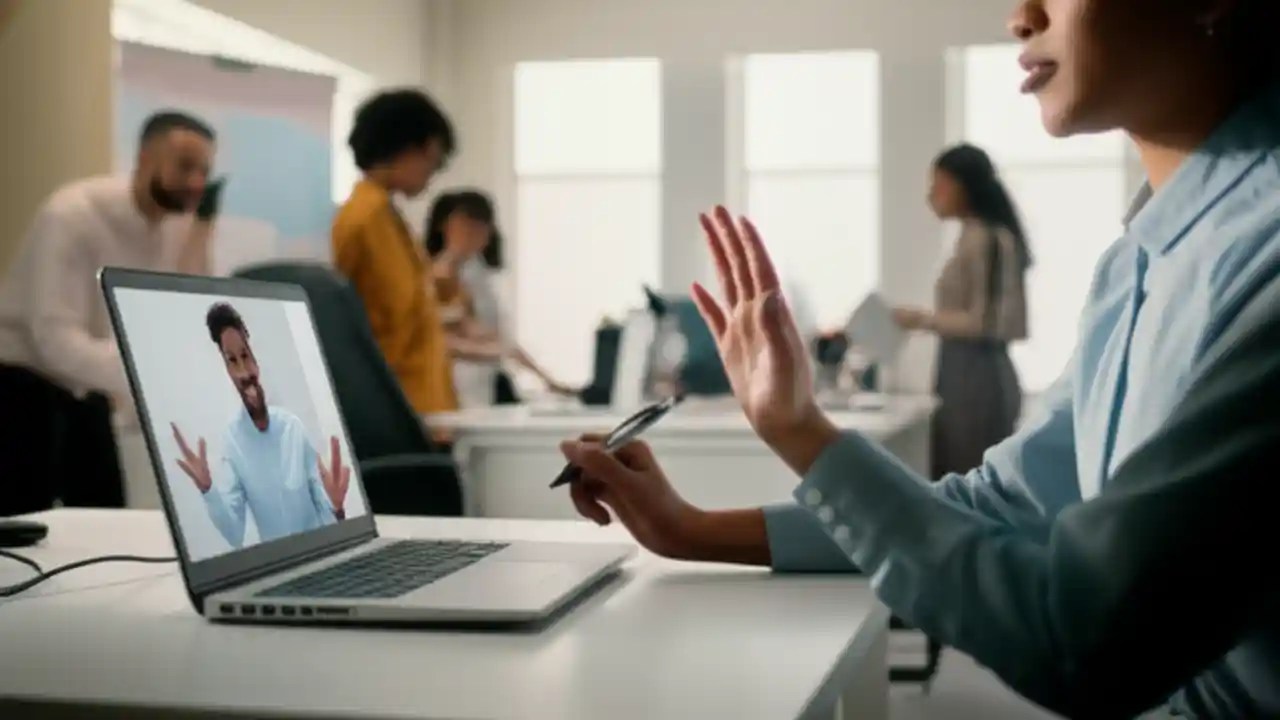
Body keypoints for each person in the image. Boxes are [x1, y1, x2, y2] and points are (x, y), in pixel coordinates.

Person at [559, 0, 1280, 716]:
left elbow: (1088, 641)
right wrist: (688, 528)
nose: (1021, 17)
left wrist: (801, 431)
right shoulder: (1133, 264)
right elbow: (996, 506)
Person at [0, 111, 225, 517]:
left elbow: (186, 302)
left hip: (90, 387)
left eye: (204, 171)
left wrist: (203, 230)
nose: (196, 182)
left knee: (105, 515)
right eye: (185, 167)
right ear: (144, 159)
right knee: (24, 524)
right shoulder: (71, 215)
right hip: (23, 381)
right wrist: (151, 375)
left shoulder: (179, 224)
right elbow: (52, 336)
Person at [894, 143, 1030, 480]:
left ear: (964, 185)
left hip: (978, 376)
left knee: (968, 477)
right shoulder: (971, 235)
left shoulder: (986, 238)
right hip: (959, 370)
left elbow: (983, 321)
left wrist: (921, 319)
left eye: (940, 184)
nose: (931, 195)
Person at [171, 303, 350, 549]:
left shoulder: (293, 427)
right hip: (281, 569)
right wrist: (208, 489)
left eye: (245, 356)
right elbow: (234, 532)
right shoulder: (232, 442)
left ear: (256, 359)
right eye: (232, 361)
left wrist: (337, 509)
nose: (244, 372)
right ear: (226, 369)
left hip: (323, 556)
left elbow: (328, 510)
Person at [332, 90, 461, 429]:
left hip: (417, 404)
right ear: (409, 147)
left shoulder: (384, 214)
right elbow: (389, 317)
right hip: (399, 407)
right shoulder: (366, 217)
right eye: (432, 159)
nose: (431, 173)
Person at [424, 190, 574, 406]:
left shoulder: (475, 273)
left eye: (480, 228)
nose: (475, 235)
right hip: (456, 384)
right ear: (445, 227)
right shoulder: (436, 275)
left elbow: (479, 330)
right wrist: (497, 350)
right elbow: (436, 338)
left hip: (483, 378)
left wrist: (546, 379)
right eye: (465, 227)